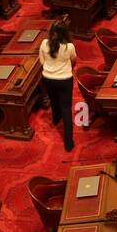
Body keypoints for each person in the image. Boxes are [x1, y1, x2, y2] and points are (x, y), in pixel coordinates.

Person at [38, 20, 77, 152]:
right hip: (64, 80)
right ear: (65, 33)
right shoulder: (69, 47)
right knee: (66, 109)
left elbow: (42, 61)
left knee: (54, 101)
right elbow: (73, 60)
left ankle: (55, 119)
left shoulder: (44, 44)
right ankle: (68, 142)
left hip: (48, 79)